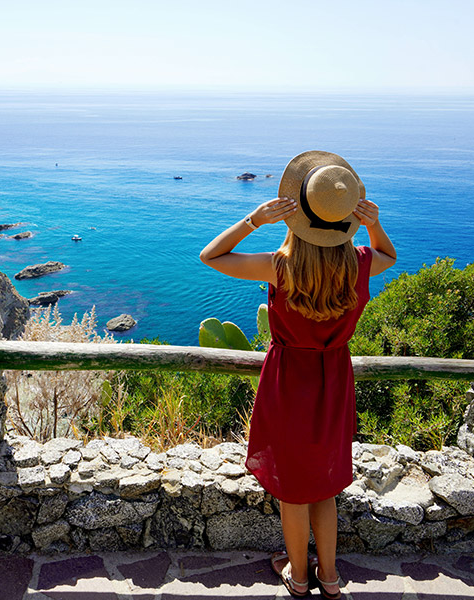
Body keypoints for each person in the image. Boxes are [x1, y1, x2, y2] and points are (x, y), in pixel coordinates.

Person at [200, 151, 396, 598]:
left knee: (293, 488)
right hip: (334, 380)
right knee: (323, 485)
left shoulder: (279, 267)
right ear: (345, 218)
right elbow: (389, 253)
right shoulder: (360, 264)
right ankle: (329, 577)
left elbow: (211, 255)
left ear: (297, 215)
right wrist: (373, 224)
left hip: (288, 380)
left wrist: (254, 218)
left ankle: (299, 577)